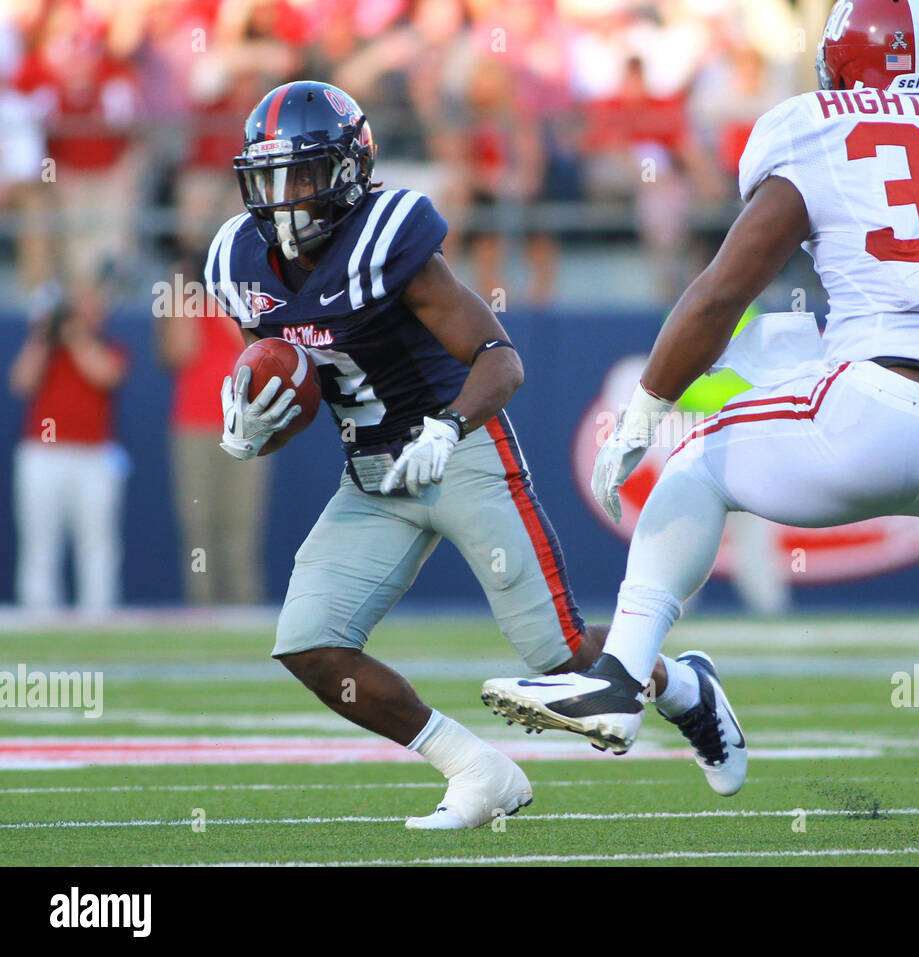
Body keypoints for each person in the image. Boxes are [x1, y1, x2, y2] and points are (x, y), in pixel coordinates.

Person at [482, 0, 919, 843]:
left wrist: (650, 403)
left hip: (875, 412)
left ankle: (618, 678)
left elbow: (721, 291)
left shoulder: (816, 125)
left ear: (844, 61)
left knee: (700, 464)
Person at [205, 81, 744, 830]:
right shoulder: (240, 261)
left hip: (460, 453)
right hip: (372, 477)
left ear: (349, 171)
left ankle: (686, 689)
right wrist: (256, 430)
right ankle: (475, 768)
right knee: (310, 645)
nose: (285, 195)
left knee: (559, 654)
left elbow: (500, 359)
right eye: (271, 176)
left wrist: (447, 426)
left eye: (303, 174)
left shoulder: (388, 238)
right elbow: (290, 386)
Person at [8, 280, 129, 611]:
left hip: (94, 456)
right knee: (40, 541)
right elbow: (21, 382)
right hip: (44, 452)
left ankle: (99, 611)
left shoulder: (110, 346)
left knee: (98, 543)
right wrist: (43, 335)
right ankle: (38, 611)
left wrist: (76, 335)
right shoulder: (45, 347)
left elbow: (105, 375)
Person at [158, 249, 270, 606]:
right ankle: (202, 614)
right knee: (199, 526)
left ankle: (243, 613)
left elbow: (254, 348)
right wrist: (183, 292)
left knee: (240, 527)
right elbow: (179, 353)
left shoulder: (242, 297)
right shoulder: (186, 301)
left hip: (245, 426)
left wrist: (222, 296)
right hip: (194, 425)